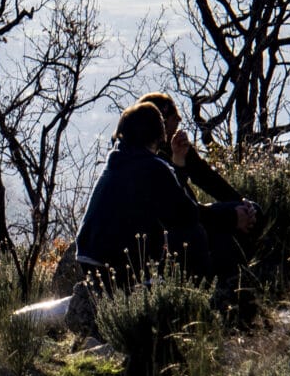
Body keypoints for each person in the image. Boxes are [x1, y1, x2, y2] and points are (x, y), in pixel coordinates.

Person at [75, 103, 255, 289]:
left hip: (90, 262)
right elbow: (187, 214)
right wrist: (233, 217)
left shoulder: (117, 163)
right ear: (158, 133)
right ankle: (214, 293)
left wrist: (177, 162)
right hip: (120, 268)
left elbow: (175, 206)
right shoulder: (151, 166)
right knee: (194, 233)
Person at [137, 91, 255, 278]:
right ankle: (230, 286)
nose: (179, 118)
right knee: (221, 233)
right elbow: (178, 210)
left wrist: (241, 203)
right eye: (173, 114)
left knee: (250, 212)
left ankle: (258, 277)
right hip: (173, 233)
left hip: (194, 215)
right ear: (161, 122)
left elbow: (207, 178)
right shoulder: (151, 160)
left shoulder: (176, 145)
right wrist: (231, 217)